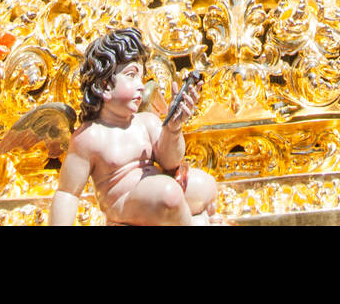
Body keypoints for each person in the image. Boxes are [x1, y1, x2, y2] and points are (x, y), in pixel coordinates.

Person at [49, 28, 218, 227]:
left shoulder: (146, 121)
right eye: (131, 75)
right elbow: (67, 193)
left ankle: (195, 220)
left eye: (142, 77)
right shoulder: (89, 136)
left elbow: (171, 161)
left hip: (158, 199)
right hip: (125, 206)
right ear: (105, 86)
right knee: (168, 193)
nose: (141, 85)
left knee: (205, 185)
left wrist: (173, 129)